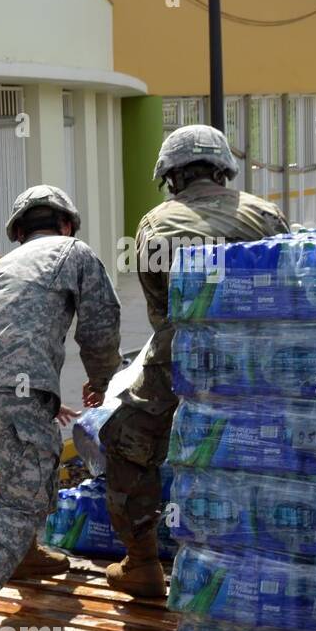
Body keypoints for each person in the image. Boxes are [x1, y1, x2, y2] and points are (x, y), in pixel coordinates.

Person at [100, 125, 289, 596]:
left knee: (125, 439)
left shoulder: (156, 223)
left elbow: (162, 310)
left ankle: (142, 564)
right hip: (266, 358)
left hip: (189, 353)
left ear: (171, 177)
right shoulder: (266, 213)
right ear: (223, 170)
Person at [0, 185, 121, 631]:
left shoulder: (4, 264)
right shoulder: (74, 251)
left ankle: (26, 555)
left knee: (28, 467)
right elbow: (100, 327)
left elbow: (0, 333)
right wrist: (105, 384)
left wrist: (41, 397)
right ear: (65, 224)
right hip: (12, 387)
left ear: (19, 231)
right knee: (22, 498)